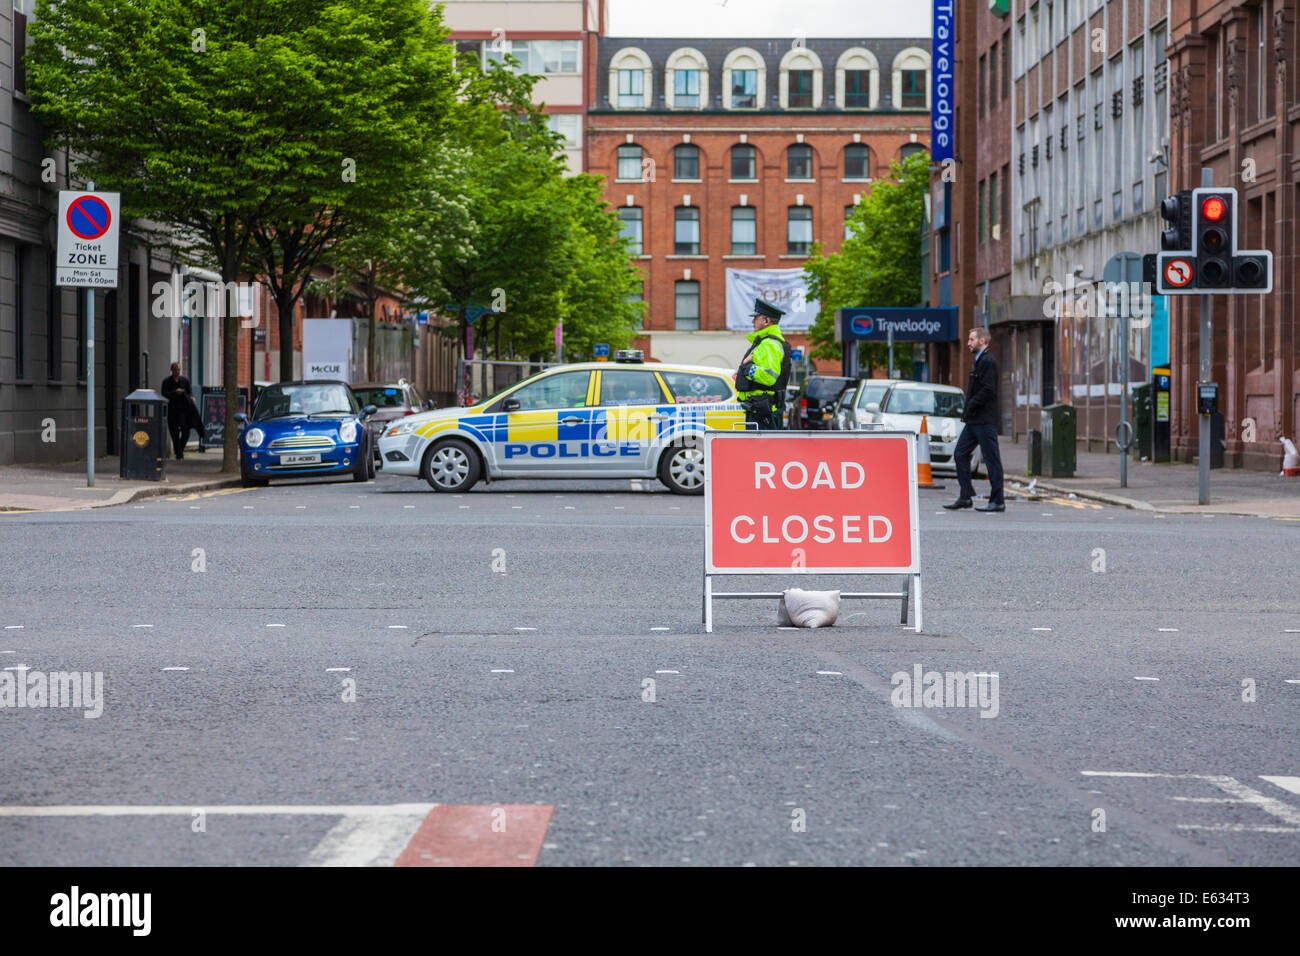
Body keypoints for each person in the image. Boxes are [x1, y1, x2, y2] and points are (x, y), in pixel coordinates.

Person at [944, 327, 1005, 511]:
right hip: (974, 421)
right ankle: (965, 496)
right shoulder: (979, 361)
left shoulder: (988, 361)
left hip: (984, 420)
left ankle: (997, 501)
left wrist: (970, 405)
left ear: (981, 341)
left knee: (992, 460)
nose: (968, 343)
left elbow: (988, 390)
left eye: (971, 339)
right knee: (960, 454)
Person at [734, 298, 793, 429]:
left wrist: (747, 368)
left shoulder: (769, 344)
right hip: (760, 410)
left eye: (756, 318)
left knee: (762, 449)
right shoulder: (765, 342)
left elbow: (769, 376)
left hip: (763, 413)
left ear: (766, 321)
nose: (752, 321)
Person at [161, 362, 203, 459]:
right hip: (172, 410)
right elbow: (164, 394)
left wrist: (192, 397)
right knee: (174, 432)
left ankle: (179, 448)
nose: (177, 372)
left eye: (178, 370)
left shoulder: (185, 381)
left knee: (186, 431)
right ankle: (179, 455)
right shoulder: (166, 381)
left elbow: (189, 392)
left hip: (184, 410)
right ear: (171, 370)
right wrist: (175, 392)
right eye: (175, 370)